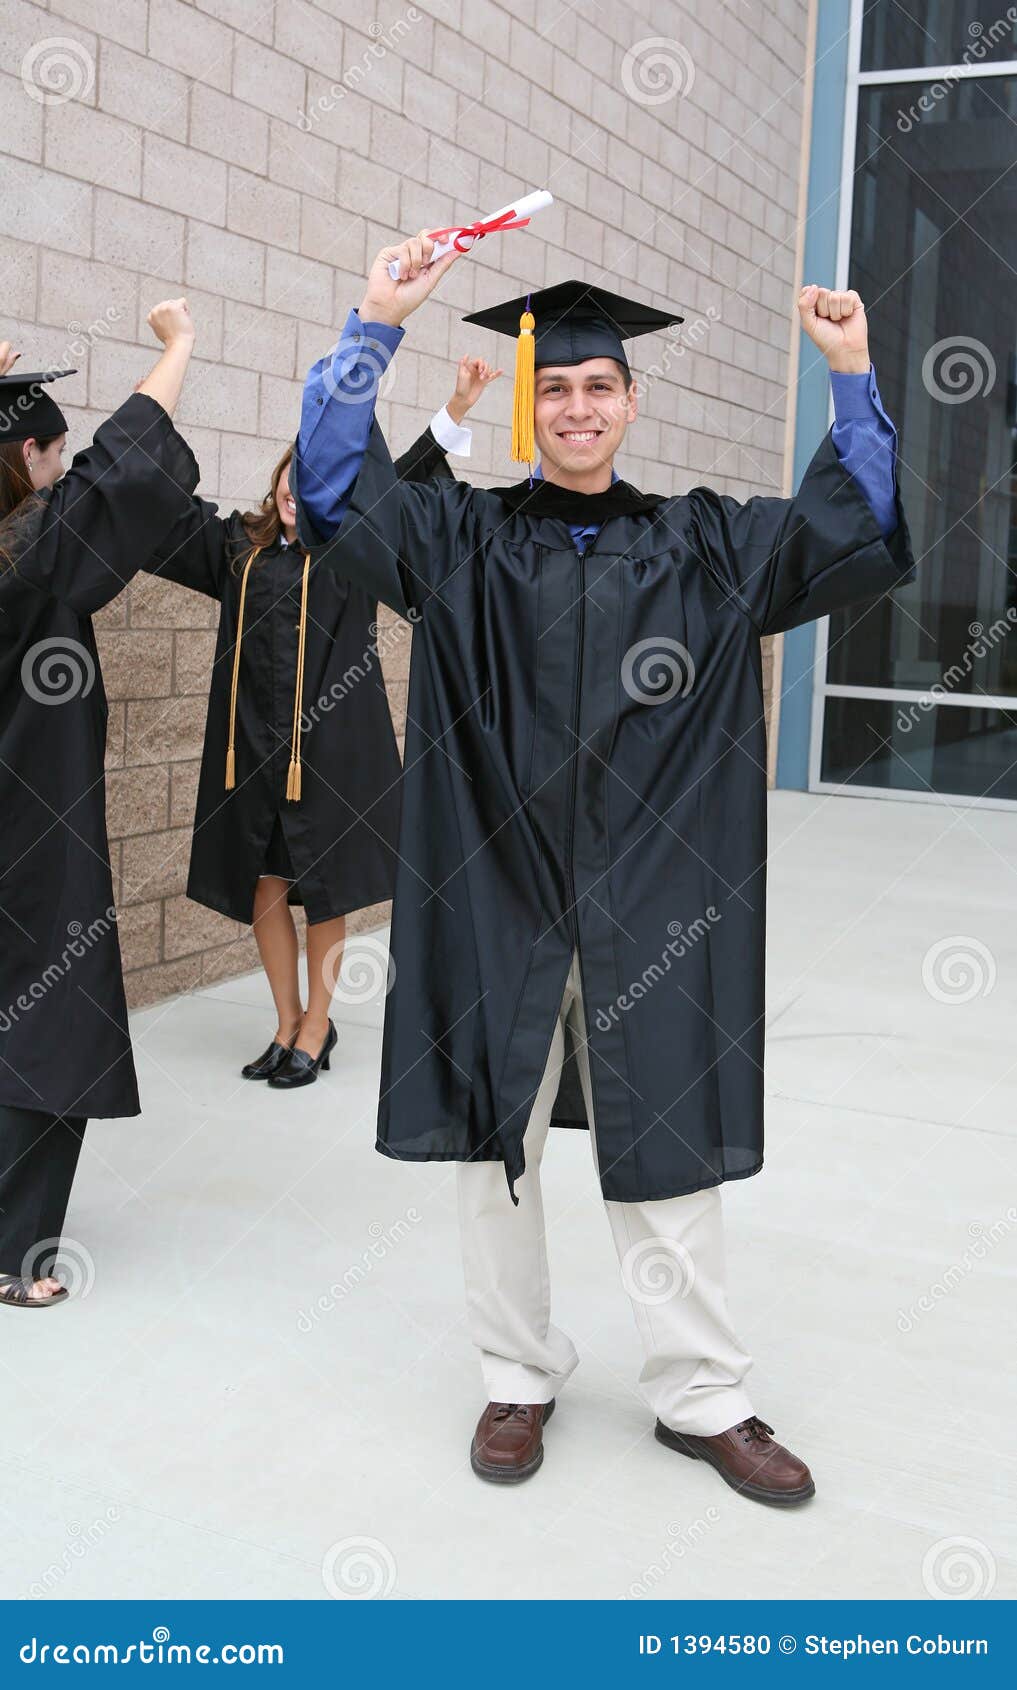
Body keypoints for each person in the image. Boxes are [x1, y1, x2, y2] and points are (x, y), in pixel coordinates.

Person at [290, 234, 916, 1504]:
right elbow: (336, 484)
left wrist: (850, 372)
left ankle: (704, 1396)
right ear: (533, 408)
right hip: (495, 884)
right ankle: (517, 1375)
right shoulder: (459, 540)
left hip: (656, 895)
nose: (577, 408)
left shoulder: (708, 545)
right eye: (557, 389)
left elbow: (853, 522)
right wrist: (373, 324)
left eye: (598, 387)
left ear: (632, 402)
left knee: (668, 1145)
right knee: (494, 1145)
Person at [144, 355, 500, 1088]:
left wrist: (456, 408)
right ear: (278, 477)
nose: (295, 488)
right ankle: (284, 1022)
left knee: (325, 889)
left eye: (313, 481)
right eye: (291, 472)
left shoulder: (348, 553)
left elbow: (401, 483)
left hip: (326, 755)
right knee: (264, 885)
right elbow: (163, 518)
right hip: (251, 751)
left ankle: (317, 1023)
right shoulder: (235, 549)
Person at [0, 302, 199, 1308]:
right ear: (28, 455)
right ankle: (14, 1251)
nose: (61, 469)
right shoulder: (32, 557)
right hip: (35, 829)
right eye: (51, 454)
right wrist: (177, 349)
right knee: (48, 1016)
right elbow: (124, 466)